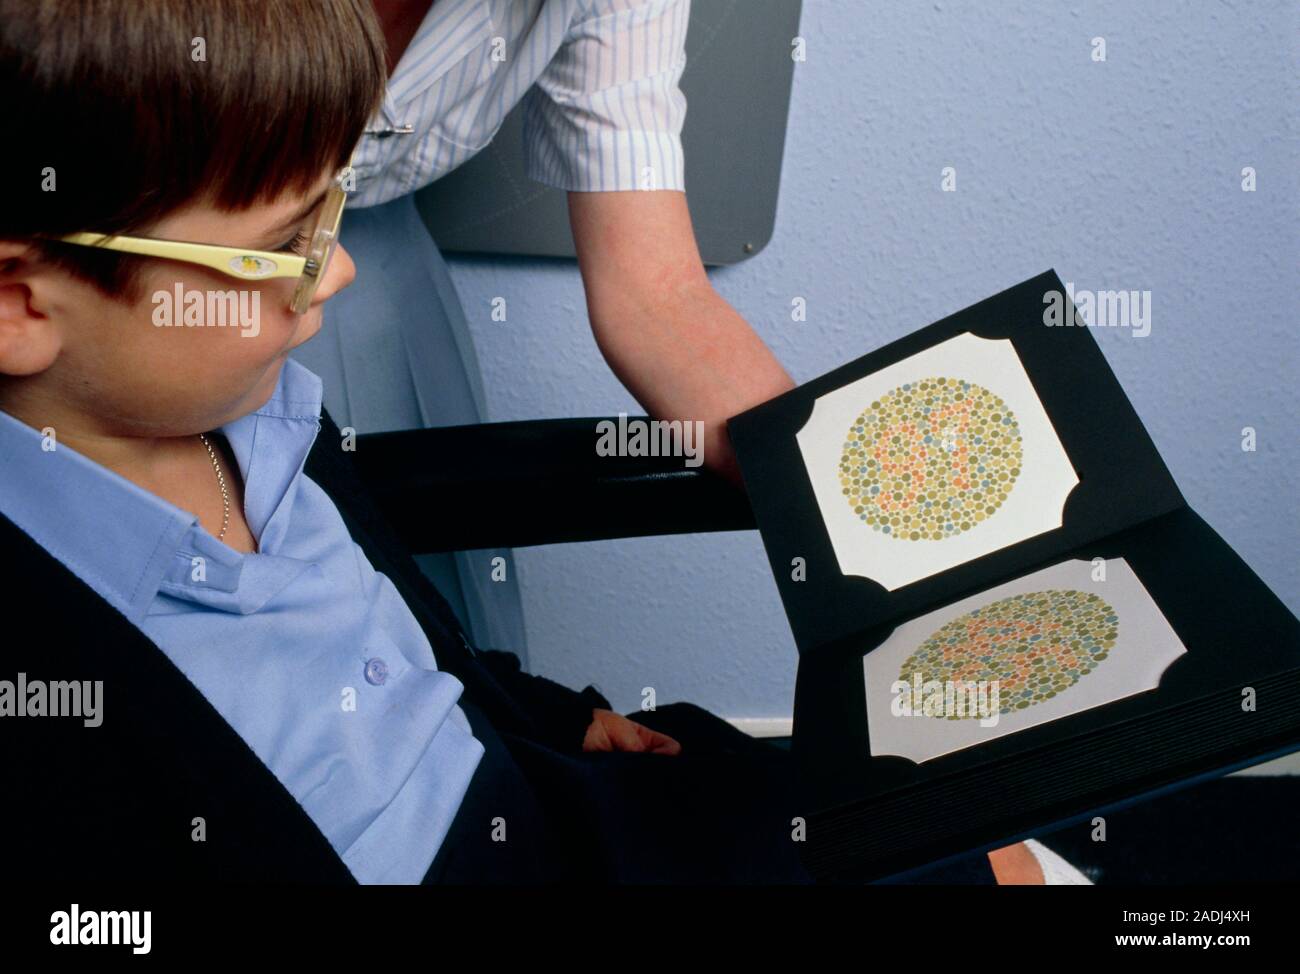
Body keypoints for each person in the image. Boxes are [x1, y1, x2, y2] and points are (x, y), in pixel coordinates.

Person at [0, 0, 1063, 884]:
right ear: (19, 299)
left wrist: (868, 505)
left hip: (515, 782)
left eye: (330, 218)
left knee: (953, 833)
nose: (338, 272)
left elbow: (394, 635)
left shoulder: (260, 403)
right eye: (289, 248)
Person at [289, 0, 799, 661]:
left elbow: (657, 295)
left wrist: (822, 487)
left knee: (442, 642)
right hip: (167, 265)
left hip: (370, 244)